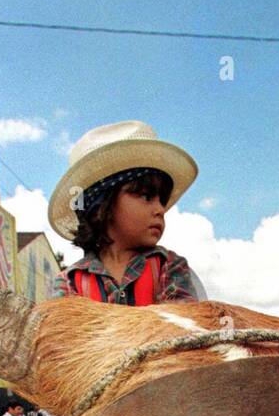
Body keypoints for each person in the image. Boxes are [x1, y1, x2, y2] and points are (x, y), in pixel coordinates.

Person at [49, 120, 200, 305]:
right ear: (101, 208)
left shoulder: (169, 266)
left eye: (161, 200)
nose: (160, 210)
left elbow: (184, 324)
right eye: (146, 196)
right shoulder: (69, 282)